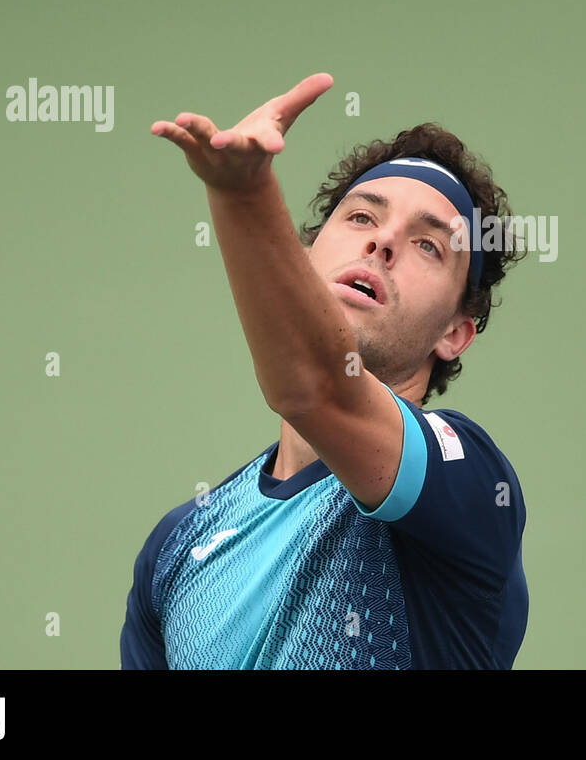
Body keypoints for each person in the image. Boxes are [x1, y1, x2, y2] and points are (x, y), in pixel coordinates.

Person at [121, 73, 529, 669]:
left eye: (428, 246)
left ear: (454, 333)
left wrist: (243, 197)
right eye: (362, 217)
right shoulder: (177, 547)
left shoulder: (468, 483)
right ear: (305, 258)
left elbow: (315, 386)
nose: (383, 241)